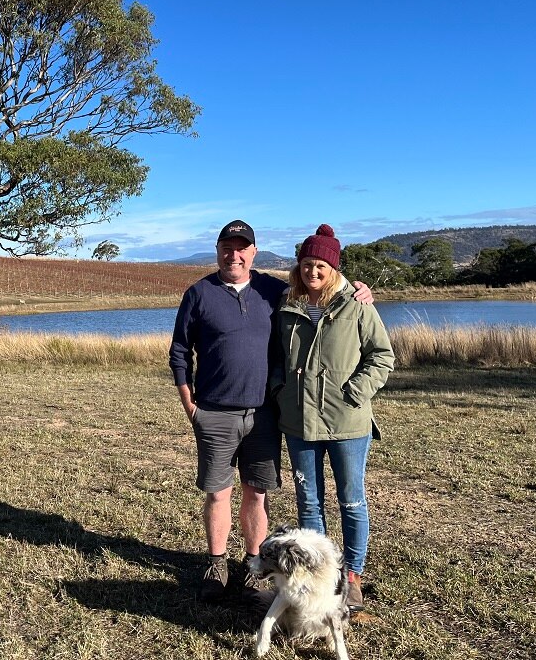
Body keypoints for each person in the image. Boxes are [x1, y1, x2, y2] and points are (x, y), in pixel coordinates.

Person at [169, 220, 373, 603]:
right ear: (217, 251)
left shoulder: (274, 290)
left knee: (257, 493)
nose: (235, 254)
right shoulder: (198, 293)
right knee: (217, 493)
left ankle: (252, 564)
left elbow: (322, 285)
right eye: (227, 247)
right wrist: (189, 403)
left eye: (242, 247)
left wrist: (359, 290)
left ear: (253, 252)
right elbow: (180, 352)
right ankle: (216, 565)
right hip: (214, 412)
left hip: (265, 414)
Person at [270, 224, 394, 614]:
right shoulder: (286, 308)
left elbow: (382, 356)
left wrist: (354, 392)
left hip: (348, 425)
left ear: (334, 268)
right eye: (307, 264)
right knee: (309, 503)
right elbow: (275, 359)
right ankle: (323, 576)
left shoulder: (357, 305)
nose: (313, 272)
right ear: (298, 267)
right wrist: (281, 391)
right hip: (299, 422)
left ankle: (351, 577)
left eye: (321, 265)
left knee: (352, 501)